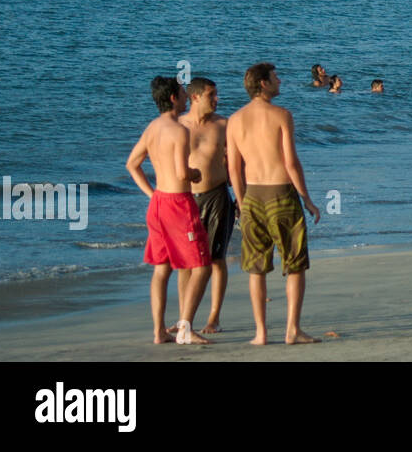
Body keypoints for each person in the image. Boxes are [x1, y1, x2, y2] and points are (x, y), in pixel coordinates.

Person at [227, 63, 320, 345]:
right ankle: (292, 329)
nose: (280, 80)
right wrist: (306, 198)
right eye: (276, 77)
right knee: (295, 264)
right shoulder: (282, 115)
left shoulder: (234, 119)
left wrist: (241, 202)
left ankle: (261, 333)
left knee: (256, 267)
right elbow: (291, 162)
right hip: (280, 193)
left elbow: (234, 168)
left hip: (253, 195)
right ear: (264, 84)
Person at [125, 76, 212, 345]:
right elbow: (181, 171)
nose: (187, 96)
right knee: (202, 265)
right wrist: (195, 173)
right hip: (178, 204)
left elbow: (132, 164)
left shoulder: (152, 127)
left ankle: (158, 331)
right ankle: (185, 327)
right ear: (174, 98)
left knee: (162, 267)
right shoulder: (179, 130)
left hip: (159, 201)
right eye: (184, 93)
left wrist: (152, 194)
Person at [179, 77, 234, 335]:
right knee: (186, 262)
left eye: (216, 94)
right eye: (212, 95)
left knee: (215, 259)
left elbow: (237, 160)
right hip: (187, 200)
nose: (217, 99)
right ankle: (184, 319)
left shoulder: (224, 124)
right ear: (195, 97)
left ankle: (214, 317)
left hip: (217, 196)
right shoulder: (178, 125)